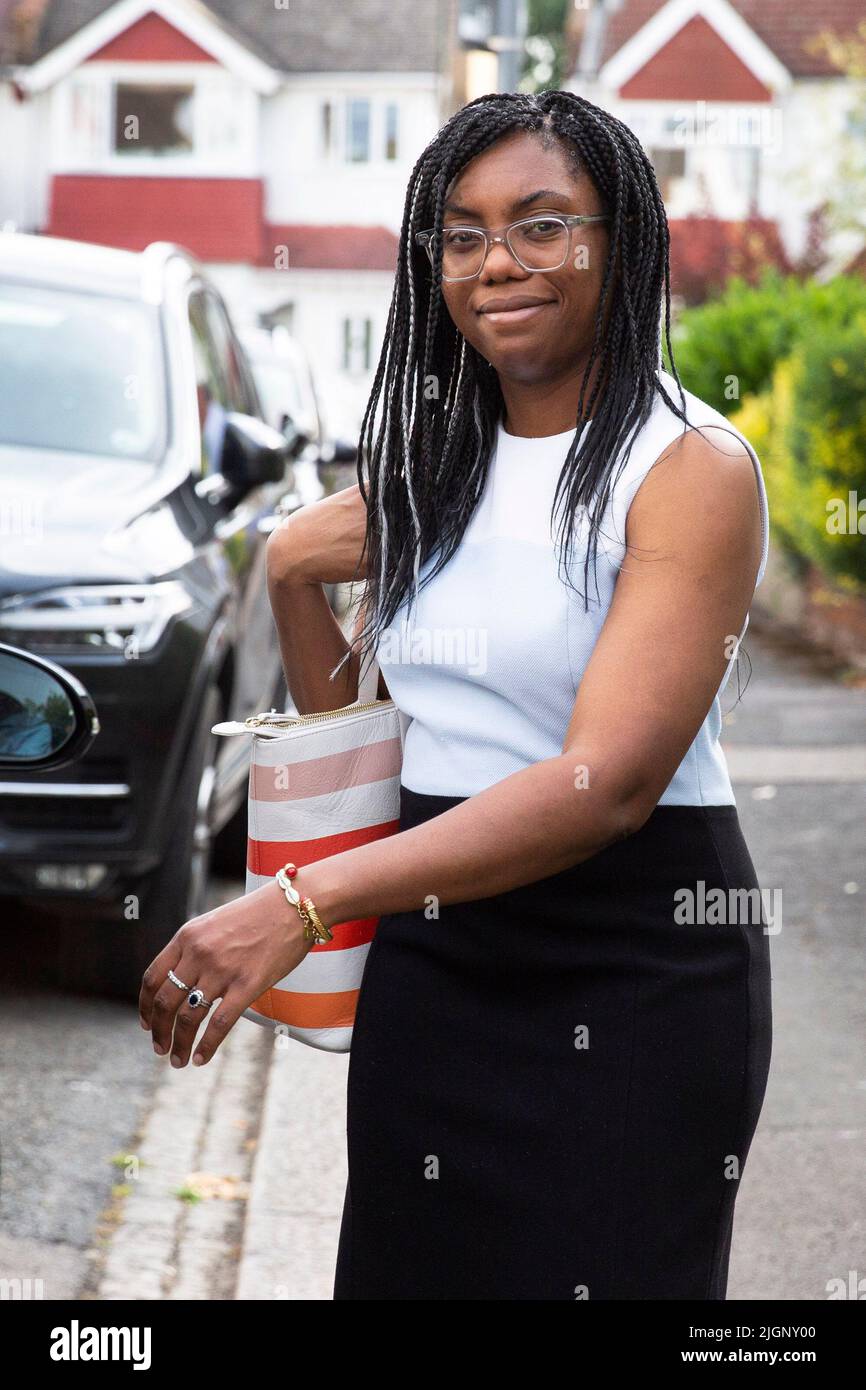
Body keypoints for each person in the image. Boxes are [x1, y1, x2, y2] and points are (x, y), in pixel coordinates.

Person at [140, 90, 773, 1301]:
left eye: (541, 224)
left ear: (619, 239)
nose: (497, 263)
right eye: (463, 232)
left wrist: (301, 901)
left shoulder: (687, 467)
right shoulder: (432, 465)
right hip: (439, 960)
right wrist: (287, 577)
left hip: (631, 966)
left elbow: (607, 785)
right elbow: (371, 745)